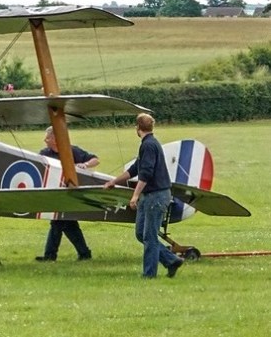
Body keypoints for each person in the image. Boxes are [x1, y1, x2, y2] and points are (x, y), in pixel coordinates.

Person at [104, 113, 184, 278]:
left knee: (149, 236)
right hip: (151, 196)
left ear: (137, 128)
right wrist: (114, 181)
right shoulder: (149, 144)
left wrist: (135, 195)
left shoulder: (148, 145)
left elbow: (146, 174)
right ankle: (171, 260)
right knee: (141, 233)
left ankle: (149, 274)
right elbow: (135, 169)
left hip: (155, 196)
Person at [35, 126, 100, 262]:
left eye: (47, 138)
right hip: (56, 194)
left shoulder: (72, 151)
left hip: (71, 193)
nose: (45, 140)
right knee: (64, 222)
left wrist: (85, 165)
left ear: (55, 139)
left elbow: (95, 159)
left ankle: (51, 255)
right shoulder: (44, 154)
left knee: (60, 222)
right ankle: (82, 253)